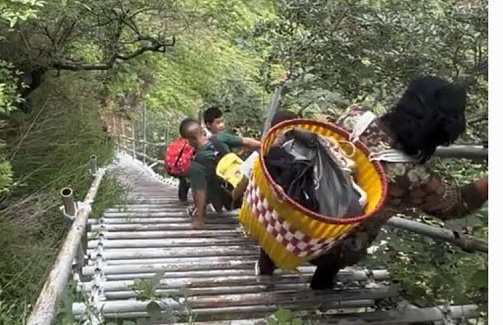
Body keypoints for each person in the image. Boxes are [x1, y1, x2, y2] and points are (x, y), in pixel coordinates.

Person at [257, 76, 488, 287]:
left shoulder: (354, 117)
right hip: (329, 246)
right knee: (350, 236)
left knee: (294, 201)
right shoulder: (412, 177)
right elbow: (457, 204)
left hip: (287, 219)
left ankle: (265, 269)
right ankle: (321, 288)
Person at [181, 117, 261, 230]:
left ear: (190, 140)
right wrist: (267, 147)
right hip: (253, 189)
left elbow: (199, 191)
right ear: (202, 131)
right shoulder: (220, 138)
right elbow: (248, 142)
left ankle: (205, 209)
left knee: (204, 184)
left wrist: (199, 219)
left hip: (231, 201)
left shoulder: (197, 162)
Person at [230, 109, 300, 207]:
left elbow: (243, 183)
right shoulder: (301, 155)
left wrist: (232, 199)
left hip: (266, 208)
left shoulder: (260, 154)